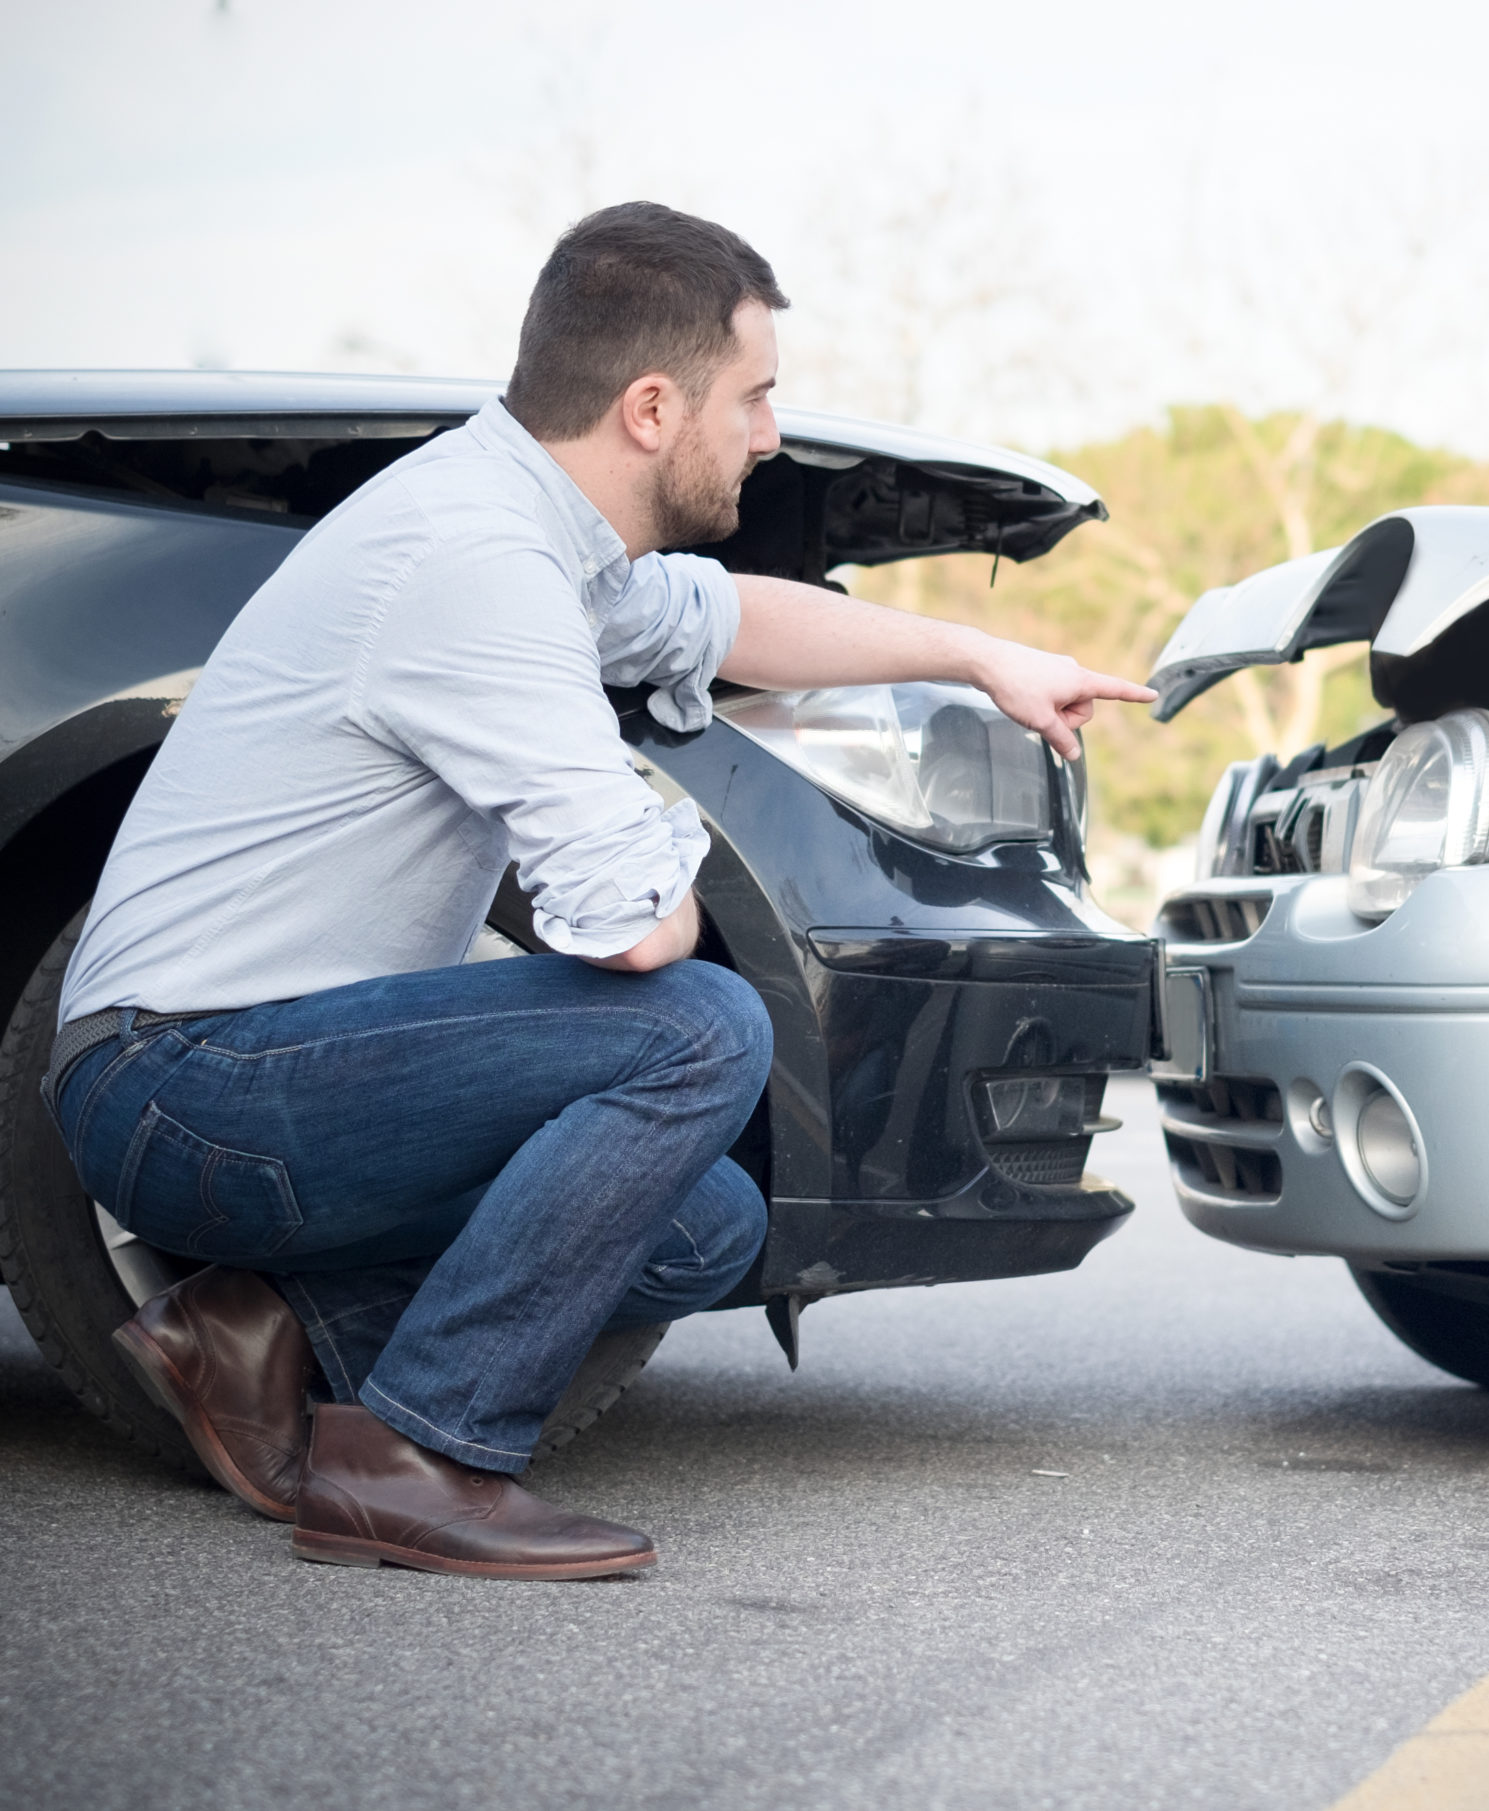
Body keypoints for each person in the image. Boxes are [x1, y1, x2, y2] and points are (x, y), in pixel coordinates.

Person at [42, 202, 1156, 1581]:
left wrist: (982, 655)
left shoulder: (532, 536)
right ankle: (420, 1451)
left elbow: (734, 614)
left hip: (266, 1074)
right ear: (649, 408)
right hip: (181, 1084)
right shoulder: (478, 567)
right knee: (699, 1026)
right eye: (752, 398)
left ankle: (266, 1325)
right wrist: (646, 850)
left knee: (711, 1225)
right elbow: (638, 930)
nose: (768, 435)